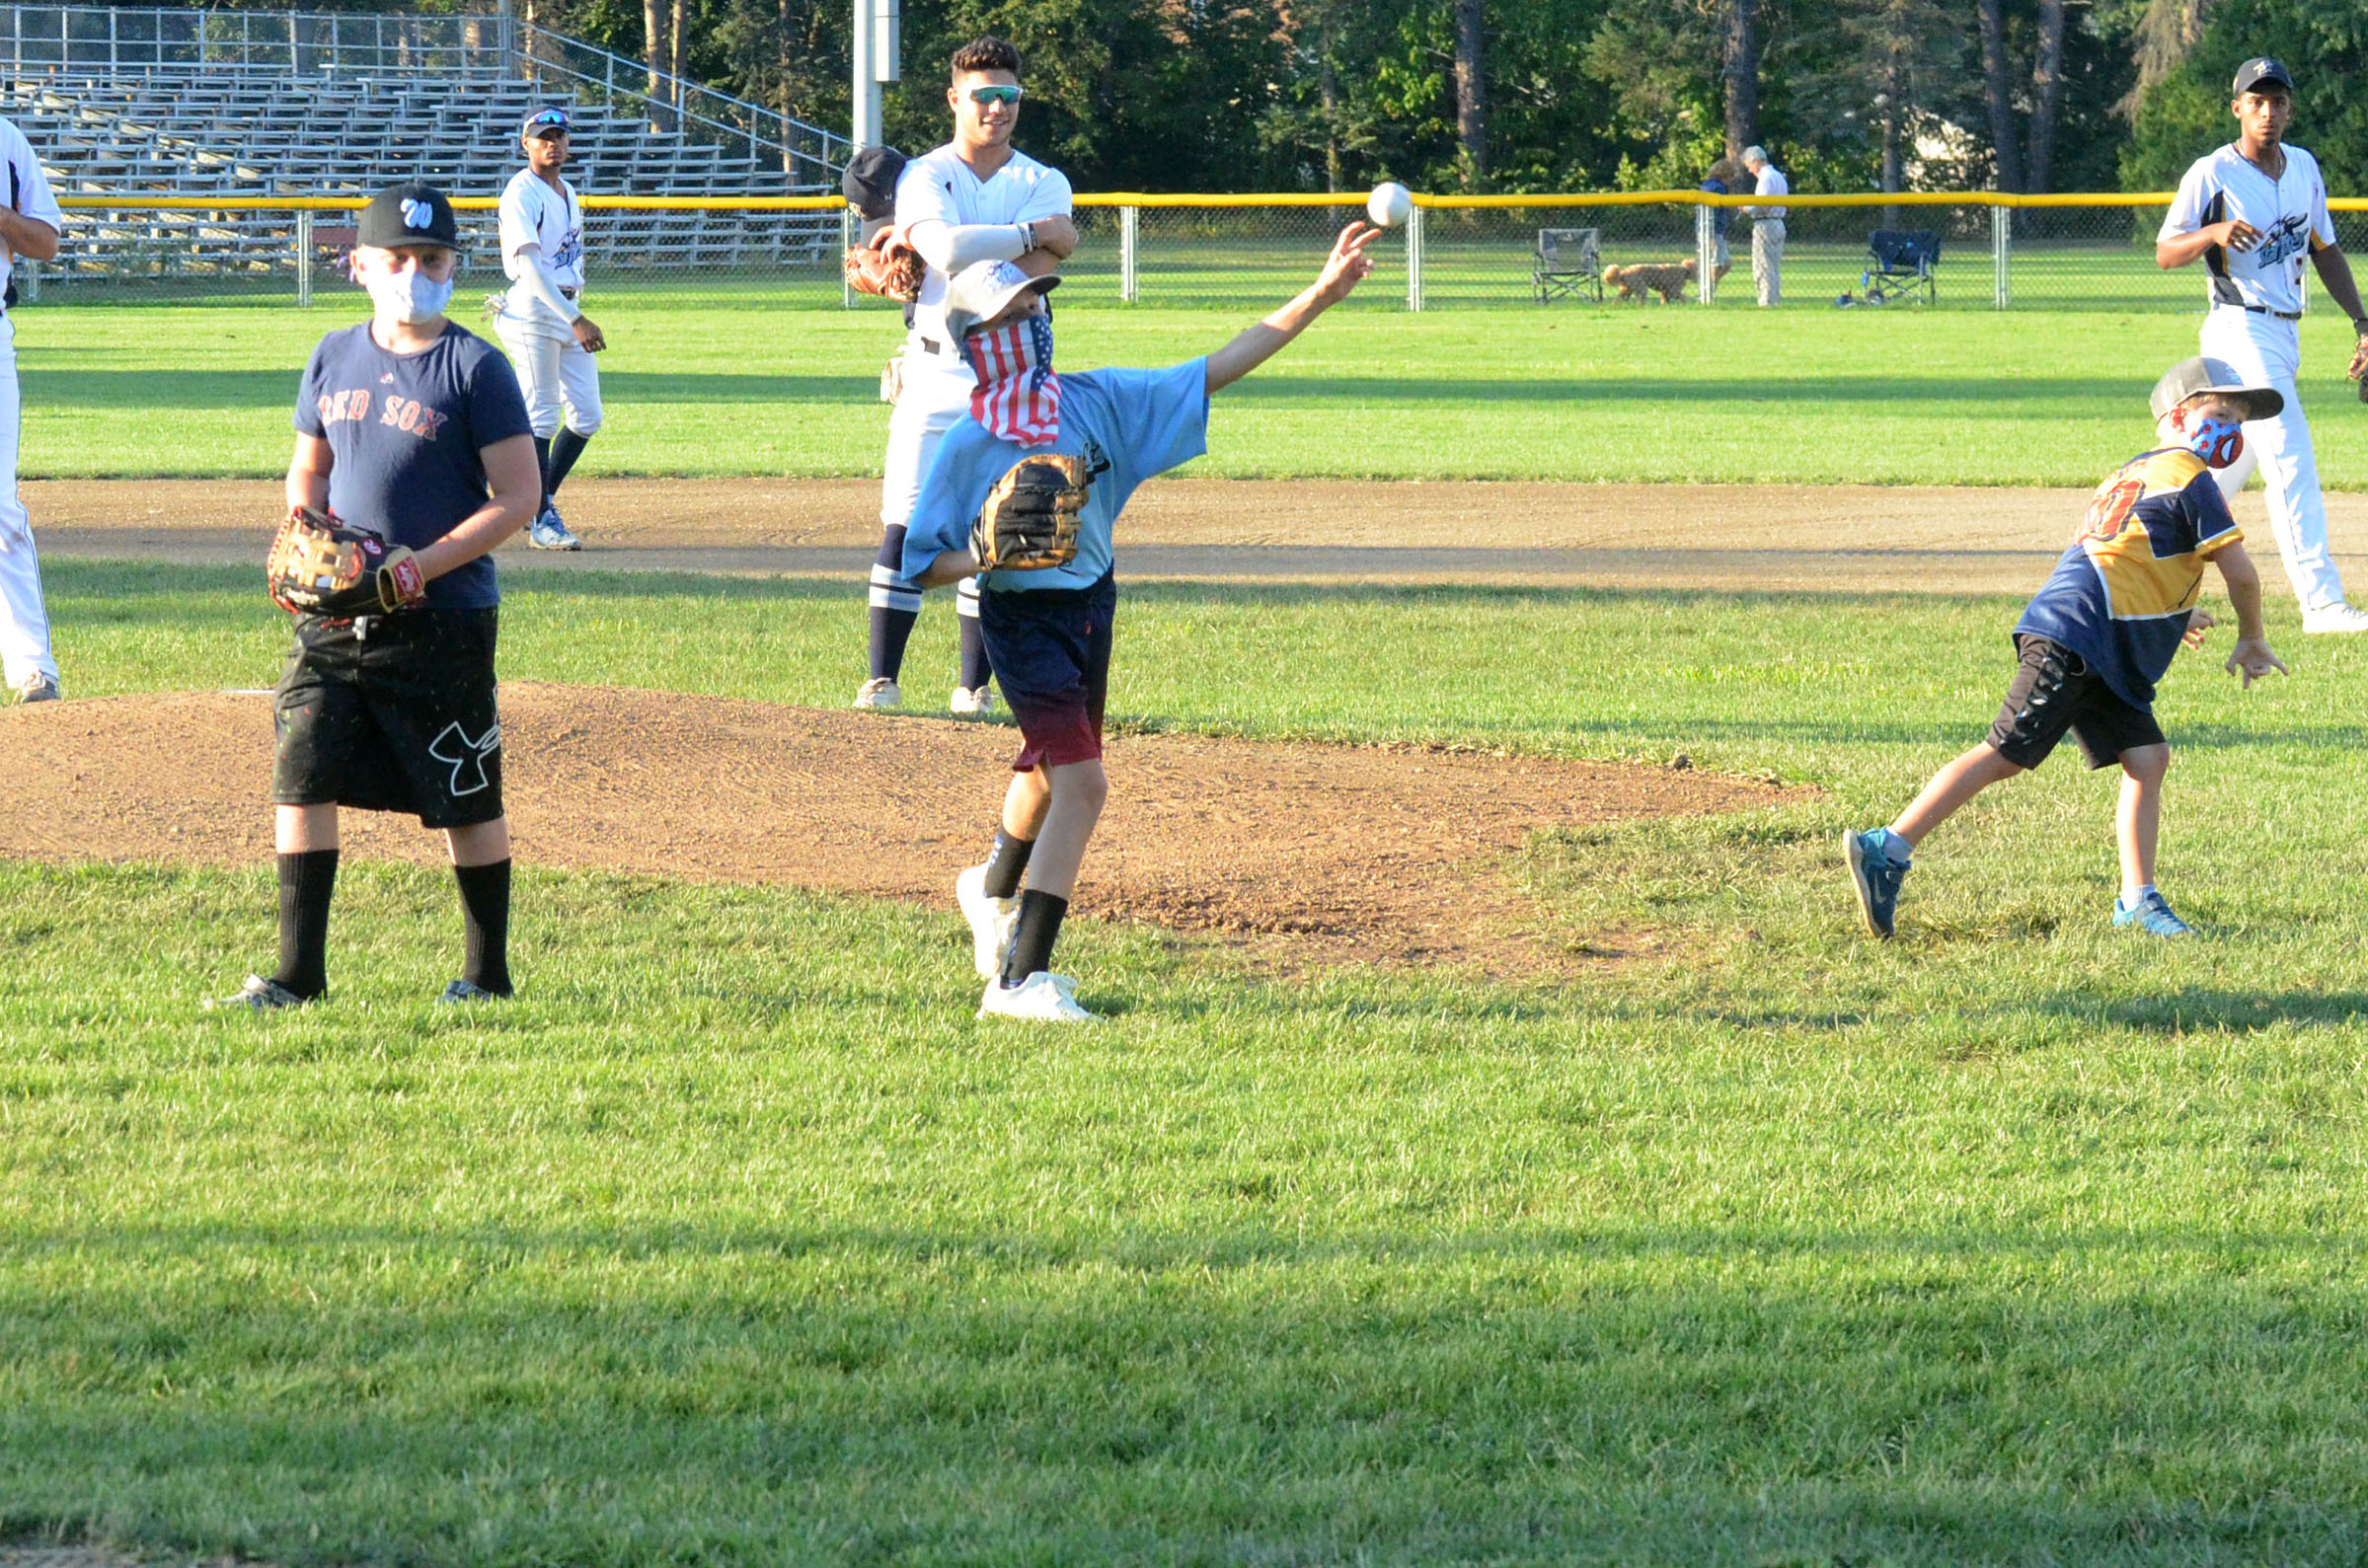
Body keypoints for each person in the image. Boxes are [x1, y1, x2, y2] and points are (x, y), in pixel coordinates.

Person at [904, 224, 1380, 1021]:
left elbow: (1216, 367)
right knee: (1084, 785)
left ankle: (987, 888)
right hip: (1021, 622)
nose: (1031, 321)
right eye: (1010, 315)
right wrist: (982, 553)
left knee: (1050, 767)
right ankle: (1018, 982)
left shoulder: (1094, 401)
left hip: (1093, 603)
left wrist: (1322, 296)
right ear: (975, 342)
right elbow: (918, 565)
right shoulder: (967, 444)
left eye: (1034, 308)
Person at [209, 182, 541, 1010]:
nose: (413, 274)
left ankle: (487, 977)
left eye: (431, 259)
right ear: (358, 265)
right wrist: (306, 530)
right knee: (302, 773)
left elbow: (518, 497)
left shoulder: (476, 367)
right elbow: (309, 466)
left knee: (465, 791)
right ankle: (297, 976)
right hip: (337, 612)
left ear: (454, 267)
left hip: (444, 616)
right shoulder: (332, 355)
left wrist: (417, 567)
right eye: (396, 258)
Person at [1844, 356, 2290, 942]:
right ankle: (1887, 848)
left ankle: (2138, 900)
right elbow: (2241, 573)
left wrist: (2173, 613)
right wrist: (2252, 636)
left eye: (2239, 420)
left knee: (2147, 759)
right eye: (2221, 414)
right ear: (2179, 416)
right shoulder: (2190, 474)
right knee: (2005, 753)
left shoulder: (2134, 473)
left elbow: (2129, 551)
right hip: (2079, 636)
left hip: (2096, 639)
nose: (2232, 429)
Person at [857, 35, 1078, 717]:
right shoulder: (924, 175)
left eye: (1008, 95)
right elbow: (948, 250)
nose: (996, 107)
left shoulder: (1043, 181)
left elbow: (1037, 276)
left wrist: (1010, 247)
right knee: (903, 524)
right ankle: (881, 681)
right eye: (983, 95)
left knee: (994, 526)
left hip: (1014, 376)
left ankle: (973, 688)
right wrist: (1029, 234)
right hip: (933, 372)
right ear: (955, 99)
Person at [2157, 56, 2368, 634]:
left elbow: (2324, 249)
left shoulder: (2303, 167)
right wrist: (2212, 232)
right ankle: (2321, 604)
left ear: (2289, 109)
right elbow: (2166, 252)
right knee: (2290, 455)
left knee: (2221, 471)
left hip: (2285, 331)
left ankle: (2147, 566)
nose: (2267, 111)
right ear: (2238, 109)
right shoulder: (2213, 172)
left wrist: (2362, 322)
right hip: (2239, 327)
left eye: (2276, 101)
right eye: (2256, 101)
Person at [494, 105, 604, 553]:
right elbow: (530, 269)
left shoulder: (568, 191)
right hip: (534, 311)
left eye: (558, 136)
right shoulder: (520, 193)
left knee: (587, 416)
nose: (552, 143)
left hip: (565, 305)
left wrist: (574, 311)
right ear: (526, 144)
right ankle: (541, 519)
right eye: (542, 137)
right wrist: (575, 319)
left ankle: (538, 500)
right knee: (541, 413)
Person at [0, 111, 62, 703]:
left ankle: (32, 668)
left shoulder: (5, 139)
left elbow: (45, 242)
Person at [1740, 144, 1786, 308]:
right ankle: (1774, 299)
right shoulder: (1779, 176)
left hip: (1765, 224)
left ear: (1756, 161)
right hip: (1779, 223)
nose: (1750, 171)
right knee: (1773, 266)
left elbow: (1763, 205)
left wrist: (1747, 209)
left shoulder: (1765, 178)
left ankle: (1766, 301)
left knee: (1763, 265)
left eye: (1750, 166)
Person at [1698, 157, 1739, 283]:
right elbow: (1712, 214)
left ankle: (1710, 287)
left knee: (1726, 263)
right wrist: (1711, 235)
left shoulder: (1710, 185)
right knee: (1717, 263)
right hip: (1713, 231)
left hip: (1715, 231)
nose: (1732, 180)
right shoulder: (1717, 188)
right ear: (1725, 175)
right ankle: (1708, 289)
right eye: (1731, 176)